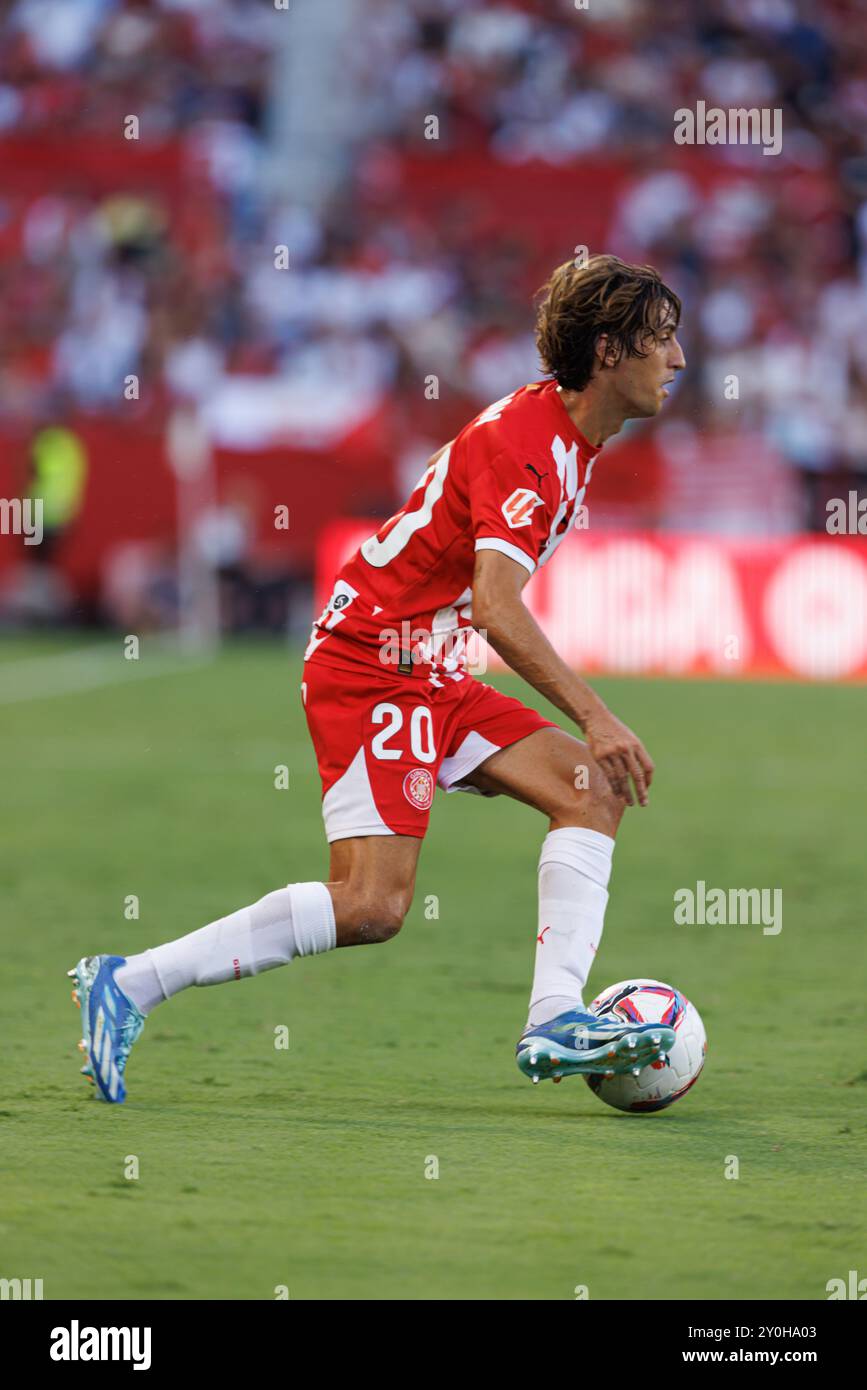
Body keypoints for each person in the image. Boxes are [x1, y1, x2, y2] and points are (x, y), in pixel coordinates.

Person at [69, 254, 687, 1103]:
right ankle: (128, 982)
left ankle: (553, 1017)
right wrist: (598, 714)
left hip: (428, 666)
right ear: (611, 351)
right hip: (373, 663)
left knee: (589, 790)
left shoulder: (568, 436)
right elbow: (499, 610)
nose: (679, 360)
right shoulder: (531, 449)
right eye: (662, 340)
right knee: (370, 906)